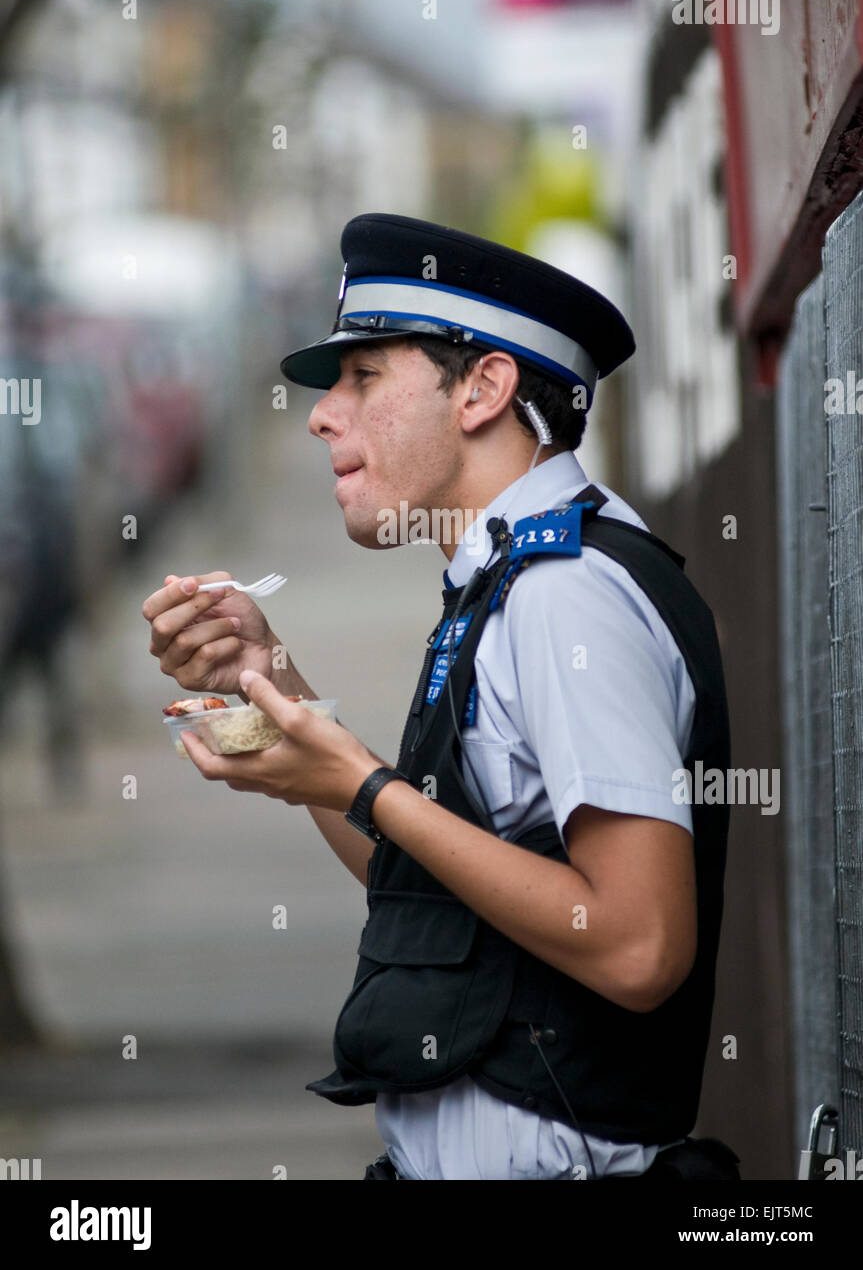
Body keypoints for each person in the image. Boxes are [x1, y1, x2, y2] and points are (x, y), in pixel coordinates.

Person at [142, 213, 740, 1181]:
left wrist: (361, 782)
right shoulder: (503, 577)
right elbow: (431, 886)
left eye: (362, 376)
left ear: (484, 388)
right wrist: (275, 697)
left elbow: (638, 943)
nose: (321, 413)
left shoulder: (563, 596)